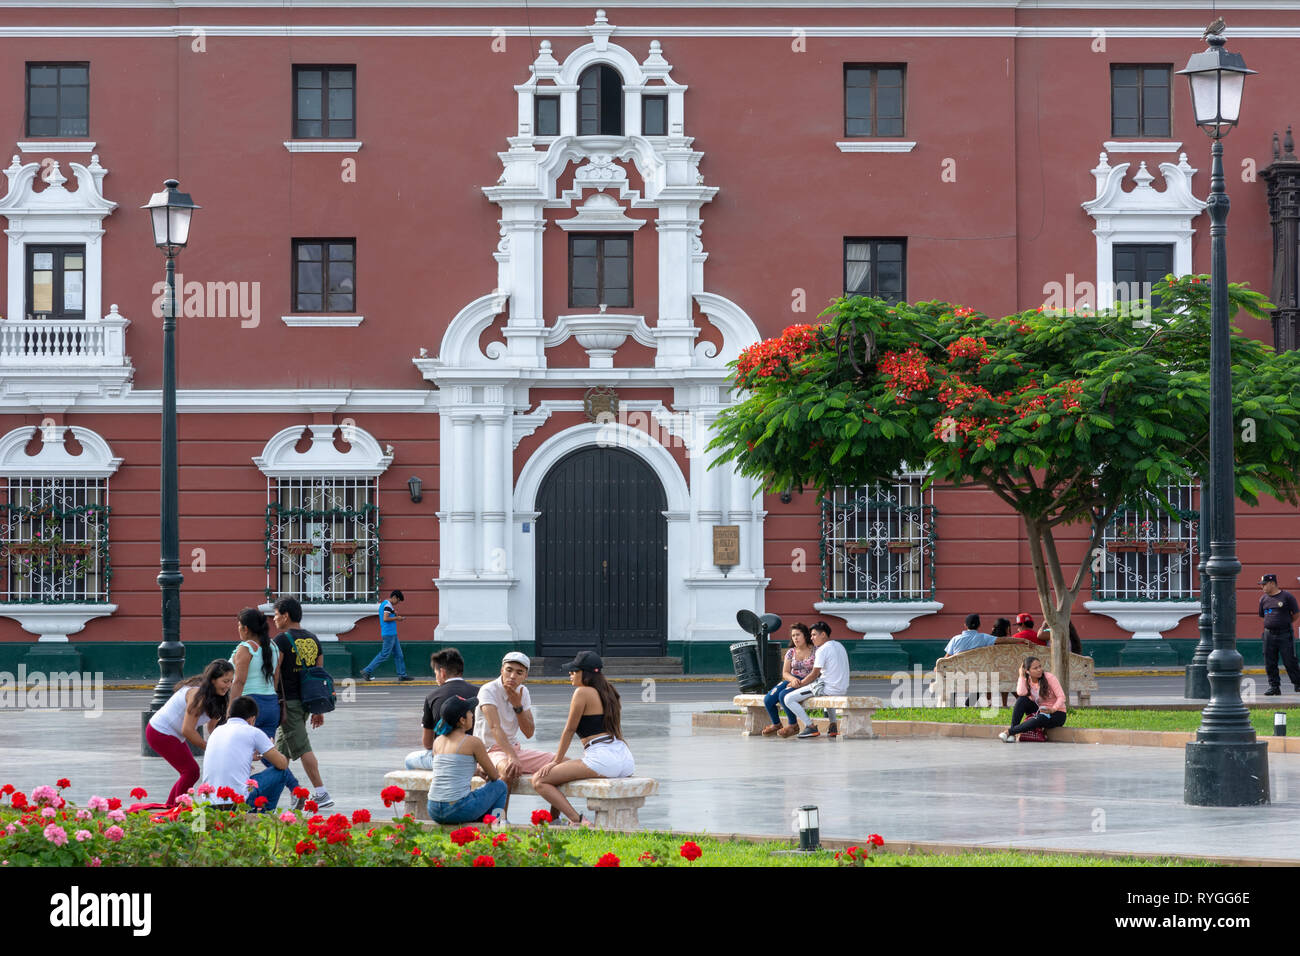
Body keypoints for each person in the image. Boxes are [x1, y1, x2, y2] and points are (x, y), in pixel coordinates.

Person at [531, 652, 633, 825]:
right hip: (624, 757)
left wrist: (555, 761)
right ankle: (555, 819)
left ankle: (578, 821)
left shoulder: (582, 692)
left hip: (602, 758)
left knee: (539, 780)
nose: (570, 674)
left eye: (574, 671)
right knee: (559, 775)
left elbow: (569, 729)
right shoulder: (609, 691)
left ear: (585, 673)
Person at [229, 607, 300, 793]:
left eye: (238, 625)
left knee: (238, 752)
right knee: (269, 755)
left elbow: (239, 681)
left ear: (245, 628)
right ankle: (296, 789)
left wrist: (230, 709)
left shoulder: (246, 648)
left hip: (249, 705)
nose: (238, 629)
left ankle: (237, 793)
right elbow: (275, 680)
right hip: (270, 705)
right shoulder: (274, 647)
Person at [271, 596, 333, 810]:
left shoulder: (280, 641)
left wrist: (272, 698)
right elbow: (319, 674)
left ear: (286, 615)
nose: (274, 619)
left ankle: (321, 792)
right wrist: (318, 708)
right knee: (280, 754)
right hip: (307, 702)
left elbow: (275, 673)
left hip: (288, 704)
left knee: (302, 747)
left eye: (276, 615)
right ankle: (289, 794)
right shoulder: (314, 639)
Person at [145, 659, 233, 806]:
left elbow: (213, 727)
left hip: (173, 734)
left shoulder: (217, 696)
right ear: (212, 680)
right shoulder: (198, 696)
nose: (228, 686)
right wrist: (210, 748)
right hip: (160, 732)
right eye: (225, 681)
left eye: (231, 681)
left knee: (189, 772)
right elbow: (188, 730)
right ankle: (176, 809)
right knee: (190, 771)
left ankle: (171, 806)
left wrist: (223, 747)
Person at [427, 695, 509, 825]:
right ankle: (497, 827)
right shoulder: (473, 742)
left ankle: (487, 821)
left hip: (433, 809)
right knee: (500, 786)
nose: (472, 715)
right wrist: (485, 773)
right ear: (462, 720)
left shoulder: (438, 741)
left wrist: (475, 771)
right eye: (470, 712)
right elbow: (494, 776)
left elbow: (450, 769)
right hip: (456, 809)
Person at [475, 651, 554, 786]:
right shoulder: (488, 690)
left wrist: (517, 706)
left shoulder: (523, 692)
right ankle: (499, 808)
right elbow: (495, 727)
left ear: (525, 676)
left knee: (561, 764)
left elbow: (529, 733)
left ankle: (554, 808)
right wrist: (512, 757)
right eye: (509, 670)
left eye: (519, 672)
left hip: (514, 750)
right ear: (501, 670)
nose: (512, 676)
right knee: (508, 771)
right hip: (489, 751)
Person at [201, 696, 292, 811]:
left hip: (210, 802)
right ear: (252, 719)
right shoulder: (252, 732)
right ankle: (265, 816)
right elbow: (282, 764)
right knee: (282, 773)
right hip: (237, 801)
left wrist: (250, 757)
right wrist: (271, 747)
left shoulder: (216, 731)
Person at [405, 647, 478, 770]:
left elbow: (428, 744)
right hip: (475, 756)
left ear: (442, 672)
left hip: (444, 757)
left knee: (409, 760)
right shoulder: (480, 692)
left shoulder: (432, 697)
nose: (436, 678)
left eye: (435, 674)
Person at [782, 621, 851, 739]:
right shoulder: (839, 645)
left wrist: (799, 685)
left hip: (828, 688)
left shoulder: (822, 650)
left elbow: (814, 674)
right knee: (824, 692)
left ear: (823, 635)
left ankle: (810, 727)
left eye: (814, 635)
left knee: (788, 698)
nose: (811, 638)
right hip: (842, 688)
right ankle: (833, 725)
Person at [762, 623, 817, 738]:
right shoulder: (791, 652)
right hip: (792, 679)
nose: (795, 638)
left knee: (783, 695)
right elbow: (785, 672)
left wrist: (801, 682)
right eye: (793, 636)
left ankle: (793, 725)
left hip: (808, 681)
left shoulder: (816, 651)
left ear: (805, 636)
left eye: (798, 635)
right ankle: (776, 724)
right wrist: (793, 679)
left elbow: (817, 672)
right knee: (768, 699)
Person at [999, 656, 1068, 742]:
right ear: (1027, 671)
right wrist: (1021, 676)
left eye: (1040, 666)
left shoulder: (1049, 677)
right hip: (1040, 710)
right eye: (1035, 668)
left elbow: (1061, 697)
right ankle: (1012, 734)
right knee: (1022, 700)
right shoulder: (1028, 680)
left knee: (1040, 718)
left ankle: (1009, 732)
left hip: (1057, 713)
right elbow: (1021, 693)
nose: (1039, 670)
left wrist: (1053, 709)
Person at [1259, 573, 1300, 695]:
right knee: (1270, 661)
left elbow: (1296, 614)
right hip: (1269, 635)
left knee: (1289, 660)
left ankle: (1298, 684)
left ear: (1272, 583)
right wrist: (1271, 624)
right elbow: (1263, 616)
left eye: (1264, 585)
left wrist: (1284, 623)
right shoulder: (1263, 599)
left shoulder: (1287, 596)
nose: (1262, 587)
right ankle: (1274, 687)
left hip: (1284, 634)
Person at [361, 589, 412, 682]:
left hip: (392, 634)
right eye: (398, 600)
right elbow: (385, 618)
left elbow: (388, 614)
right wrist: (397, 618)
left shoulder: (385, 604)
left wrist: (394, 613)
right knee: (384, 654)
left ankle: (402, 675)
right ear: (394, 597)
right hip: (389, 634)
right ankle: (367, 671)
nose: (398, 602)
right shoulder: (388, 605)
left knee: (399, 655)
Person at [942, 613, 1033, 658]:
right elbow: (1003, 640)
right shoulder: (984, 638)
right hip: (978, 676)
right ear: (979, 625)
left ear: (965, 625)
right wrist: (1024, 640)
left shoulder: (955, 639)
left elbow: (947, 658)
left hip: (958, 675)